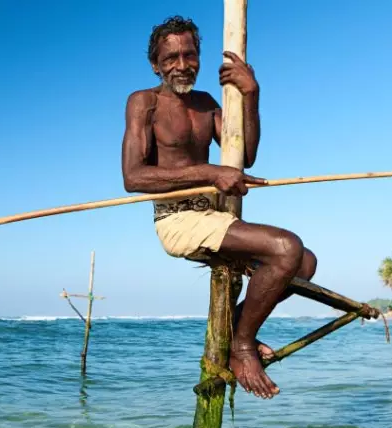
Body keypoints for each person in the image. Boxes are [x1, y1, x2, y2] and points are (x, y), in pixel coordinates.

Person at [121, 16, 317, 399]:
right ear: (155, 64)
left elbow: (247, 156)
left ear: (199, 56)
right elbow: (133, 177)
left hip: (218, 217)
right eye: (171, 57)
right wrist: (211, 172)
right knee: (286, 248)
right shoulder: (143, 102)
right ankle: (242, 348)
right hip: (178, 220)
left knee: (304, 264)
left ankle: (234, 335)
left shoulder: (208, 103)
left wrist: (252, 94)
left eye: (189, 54)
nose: (182, 65)